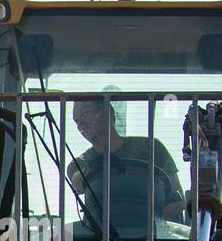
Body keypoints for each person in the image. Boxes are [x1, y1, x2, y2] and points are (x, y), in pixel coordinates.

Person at [66, 94, 186, 224]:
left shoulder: (151, 148)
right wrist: (81, 176)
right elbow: (77, 181)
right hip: (102, 239)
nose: (81, 124)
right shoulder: (79, 163)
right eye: (77, 121)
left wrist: (148, 221)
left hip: (153, 238)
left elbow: (178, 200)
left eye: (86, 113)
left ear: (109, 112)